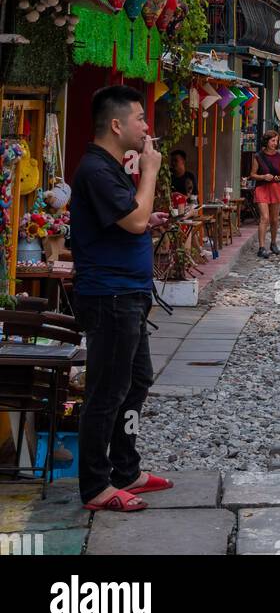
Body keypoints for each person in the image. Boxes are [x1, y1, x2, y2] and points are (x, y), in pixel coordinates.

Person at [69, 86, 171, 513]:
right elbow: (134, 220)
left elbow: (130, 218)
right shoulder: (96, 168)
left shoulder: (109, 168)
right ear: (116, 125)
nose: (146, 128)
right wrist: (149, 172)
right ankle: (95, 486)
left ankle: (125, 469)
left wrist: (146, 218)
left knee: (137, 380)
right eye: (140, 120)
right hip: (109, 295)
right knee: (106, 391)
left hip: (128, 293)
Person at [250, 130, 280, 258]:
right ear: (267, 141)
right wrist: (264, 177)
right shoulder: (258, 156)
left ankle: (273, 243)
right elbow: (252, 174)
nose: (275, 143)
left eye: (276, 141)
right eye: (272, 141)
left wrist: (278, 178)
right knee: (264, 218)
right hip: (262, 188)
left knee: (275, 219)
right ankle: (261, 247)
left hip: (275, 188)